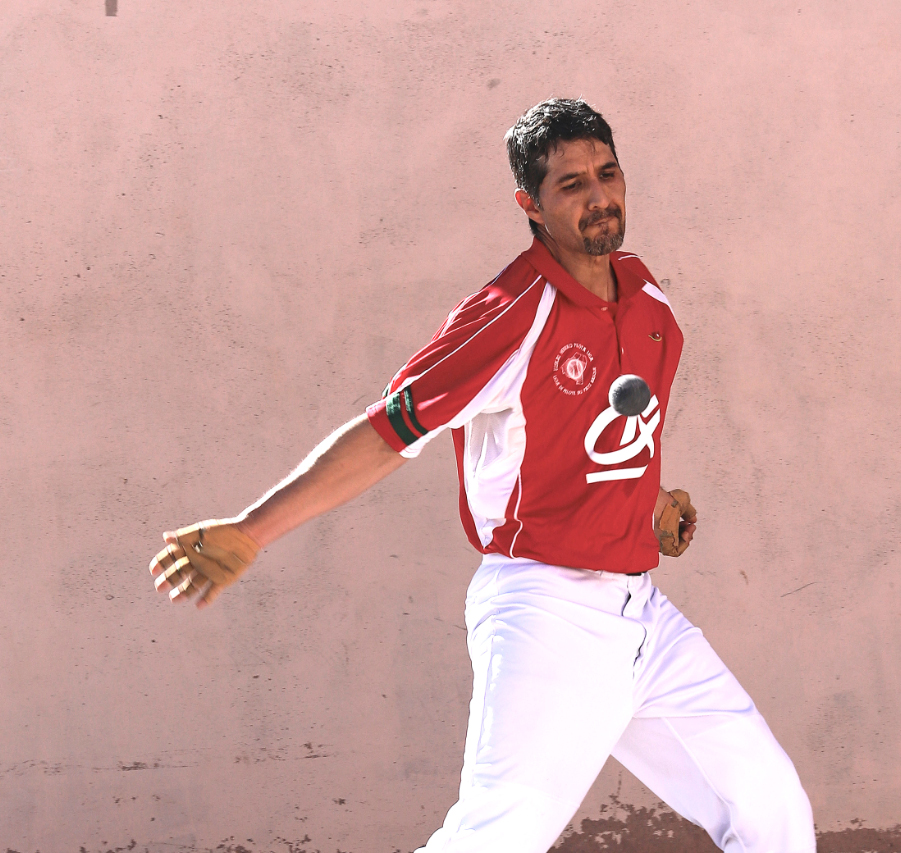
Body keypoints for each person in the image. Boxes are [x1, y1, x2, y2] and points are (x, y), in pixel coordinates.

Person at [149, 98, 815, 853]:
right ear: (530, 205)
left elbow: (584, 436)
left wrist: (648, 501)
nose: (599, 196)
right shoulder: (510, 312)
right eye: (571, 184)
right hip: (549, 612)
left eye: (607, 173)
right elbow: (388, 431)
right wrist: (253, 530)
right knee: (497, 838)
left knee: (772, 809)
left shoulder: (645, 294)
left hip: (643, 617)